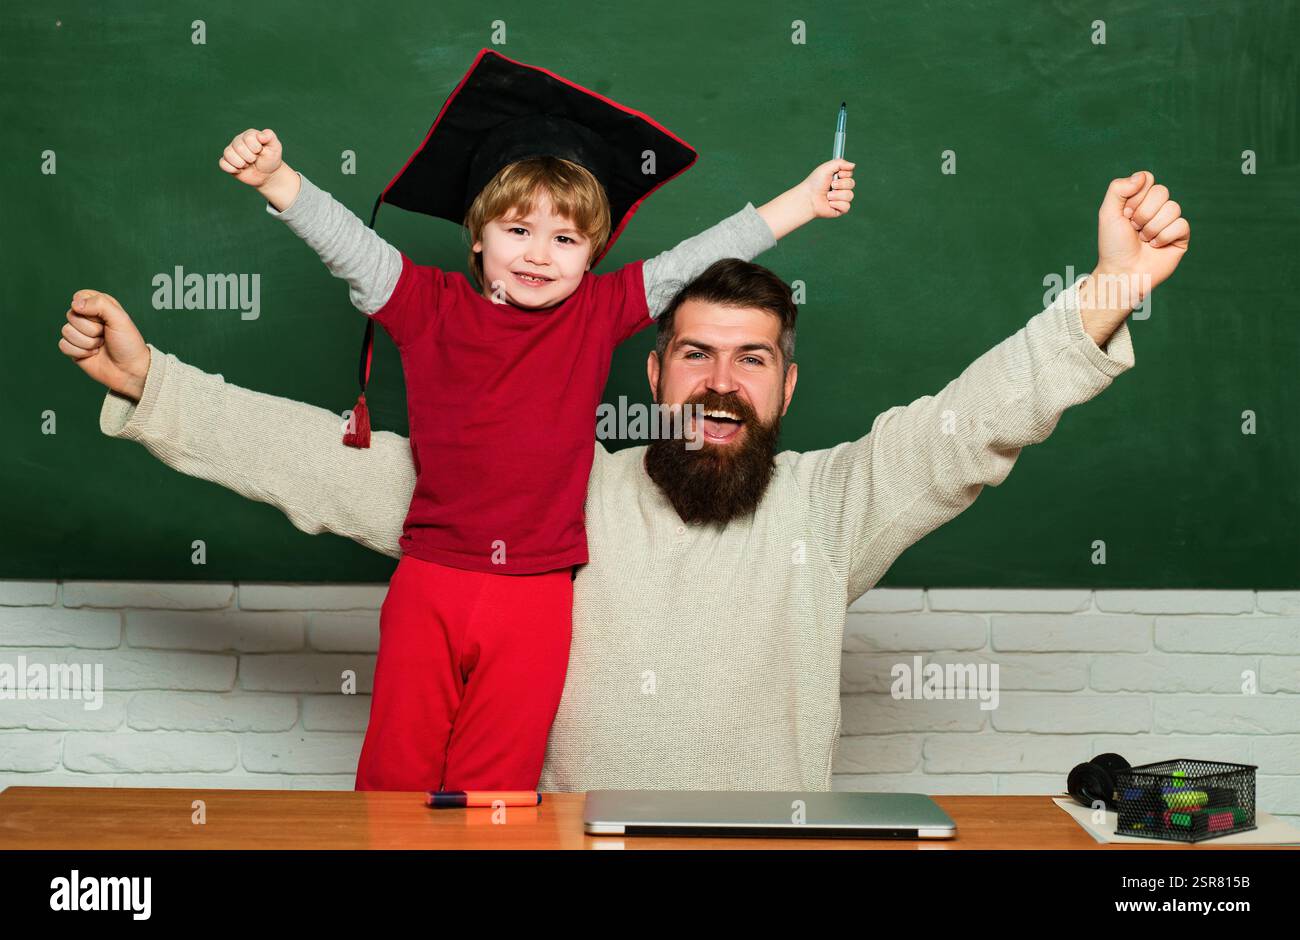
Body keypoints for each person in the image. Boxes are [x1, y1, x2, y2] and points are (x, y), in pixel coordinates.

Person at [62, 171, 1188, 791]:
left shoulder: (831, 506)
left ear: (786, 389)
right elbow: (324, 464)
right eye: (695, 351)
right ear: (652, 368)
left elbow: (969, 425)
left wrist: (1108, 289)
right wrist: (154, 381)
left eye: (753, 358)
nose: (721, 380)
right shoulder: (548, 490)